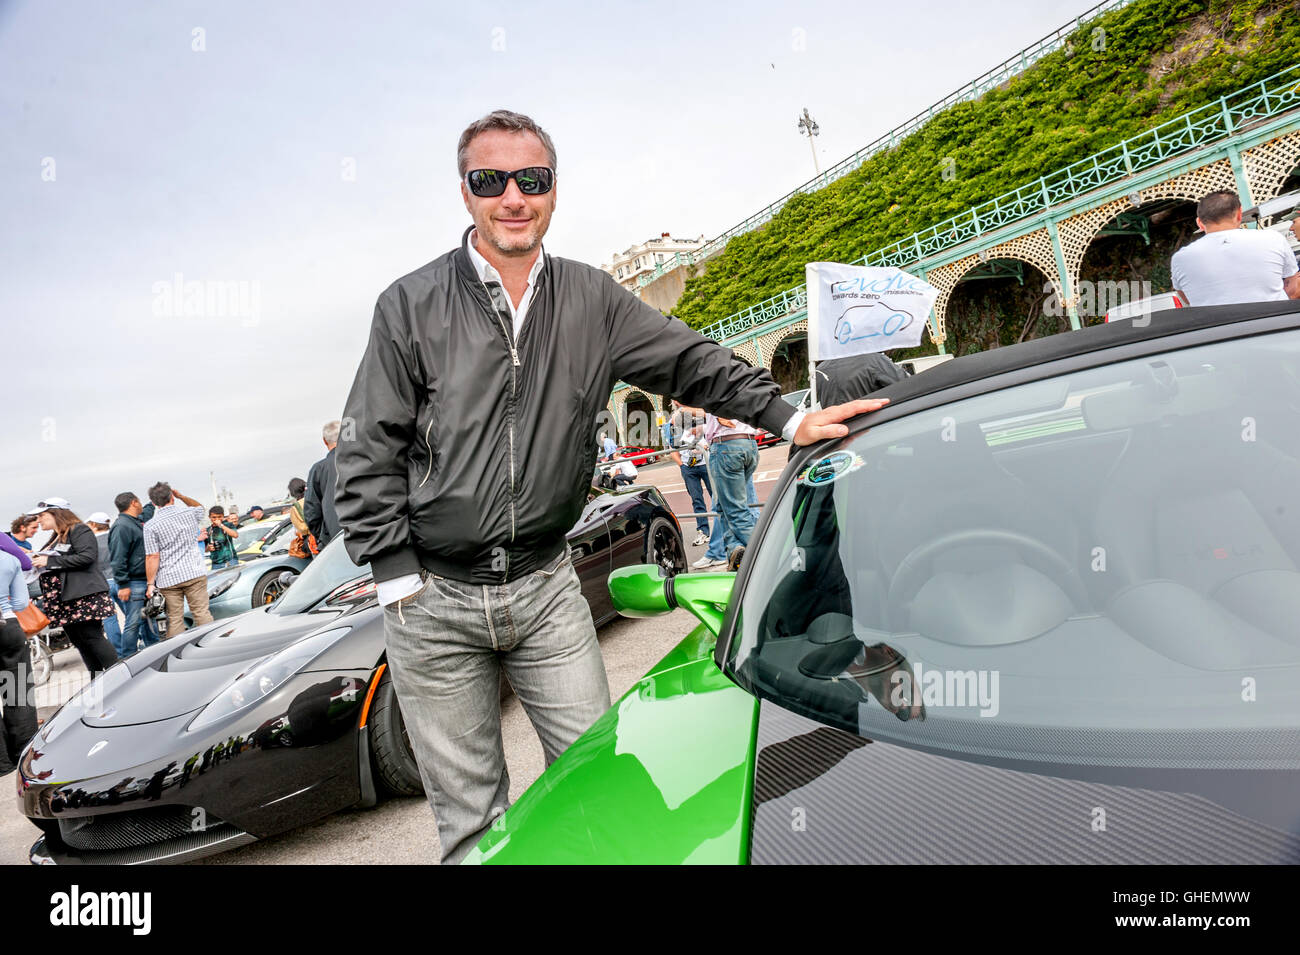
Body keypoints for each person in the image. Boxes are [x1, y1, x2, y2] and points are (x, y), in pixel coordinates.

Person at [335, 108, 881, 863]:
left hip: (546, 589)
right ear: (465, 193)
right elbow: (368, 442)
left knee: (603, 785)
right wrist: (397, 578)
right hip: (435, 599)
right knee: (472, 826)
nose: (513, 196)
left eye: (533, 179)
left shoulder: (591, 299)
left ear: (554, 191)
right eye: (490, 180)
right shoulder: (410, 304)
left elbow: (691, 360)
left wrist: (788, 420)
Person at [28, 499, 118, 675]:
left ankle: (117, 675)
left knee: (92, 637)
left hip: (82, 595)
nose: (39, 520)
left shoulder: (79, 530)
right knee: (80, 641)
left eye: (42, 515)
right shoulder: (55, 536)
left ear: (57, 513)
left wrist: (49, 561)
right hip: (64, 599)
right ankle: (98, 680)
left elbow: (87, 557)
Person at [1171, 189, 1300, 306]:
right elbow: (1292, 286)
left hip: (1219, 330)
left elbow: (1187, 298)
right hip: (1275, 323)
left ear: (1199, 223)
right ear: (1239, 214)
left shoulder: (1180, 259)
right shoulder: (1273, 238)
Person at [143, 483, 214, 638]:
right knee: (201, 613)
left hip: (168, 579)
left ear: (154, 503)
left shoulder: (150, 526)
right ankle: (211, 644)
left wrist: (150, 584)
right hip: (194, 572)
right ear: (172, 497)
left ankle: (178, 653)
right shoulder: (189, 513)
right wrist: (181, 496)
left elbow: (152, 556)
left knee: (175, 619)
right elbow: (201, 507)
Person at [0, 548, 37, 778]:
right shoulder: (9, 559)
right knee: (18, 693)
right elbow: (22, 603)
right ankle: (25, 754)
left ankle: (2, 764)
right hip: (10, 626)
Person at [108, 491, 161, 655]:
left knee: (147, 620)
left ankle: (154, 650)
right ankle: (128, 657)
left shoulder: (134, 521)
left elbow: (146, 513)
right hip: (132, 583)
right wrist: (123, 584)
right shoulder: (122, 526)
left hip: (141, 581)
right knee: (133, 622)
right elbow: (118, 558)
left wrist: (154, 501)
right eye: (139, 501)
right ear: (133, 503)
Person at [670, 401, 713, 548]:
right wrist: (683, 466)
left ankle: (725, 529)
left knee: (717, 496)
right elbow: (672, 450)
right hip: (689, 468)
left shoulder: (700, 419)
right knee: (697, 500)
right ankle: (703, 531)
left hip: (705, 464)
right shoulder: (675, 429)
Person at [85, 511, 124, 654]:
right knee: (131, 615)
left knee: (109, 620)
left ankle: (119, 652)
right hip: (120, 580)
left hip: (102, 583)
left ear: (94, 525)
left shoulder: (91, 544)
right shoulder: (115, 538)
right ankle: (134, 645)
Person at [305, 421, 341, 549]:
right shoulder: (363, 460)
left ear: (325, 441)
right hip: (370, 537)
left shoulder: (319, 469)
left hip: (336, 540)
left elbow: (311, 512)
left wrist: (324, 536)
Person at [287, 477, 317, 558]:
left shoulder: (296, 507)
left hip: (314, 542)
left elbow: (302, 529)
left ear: (293, 492)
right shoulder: (316, 497)